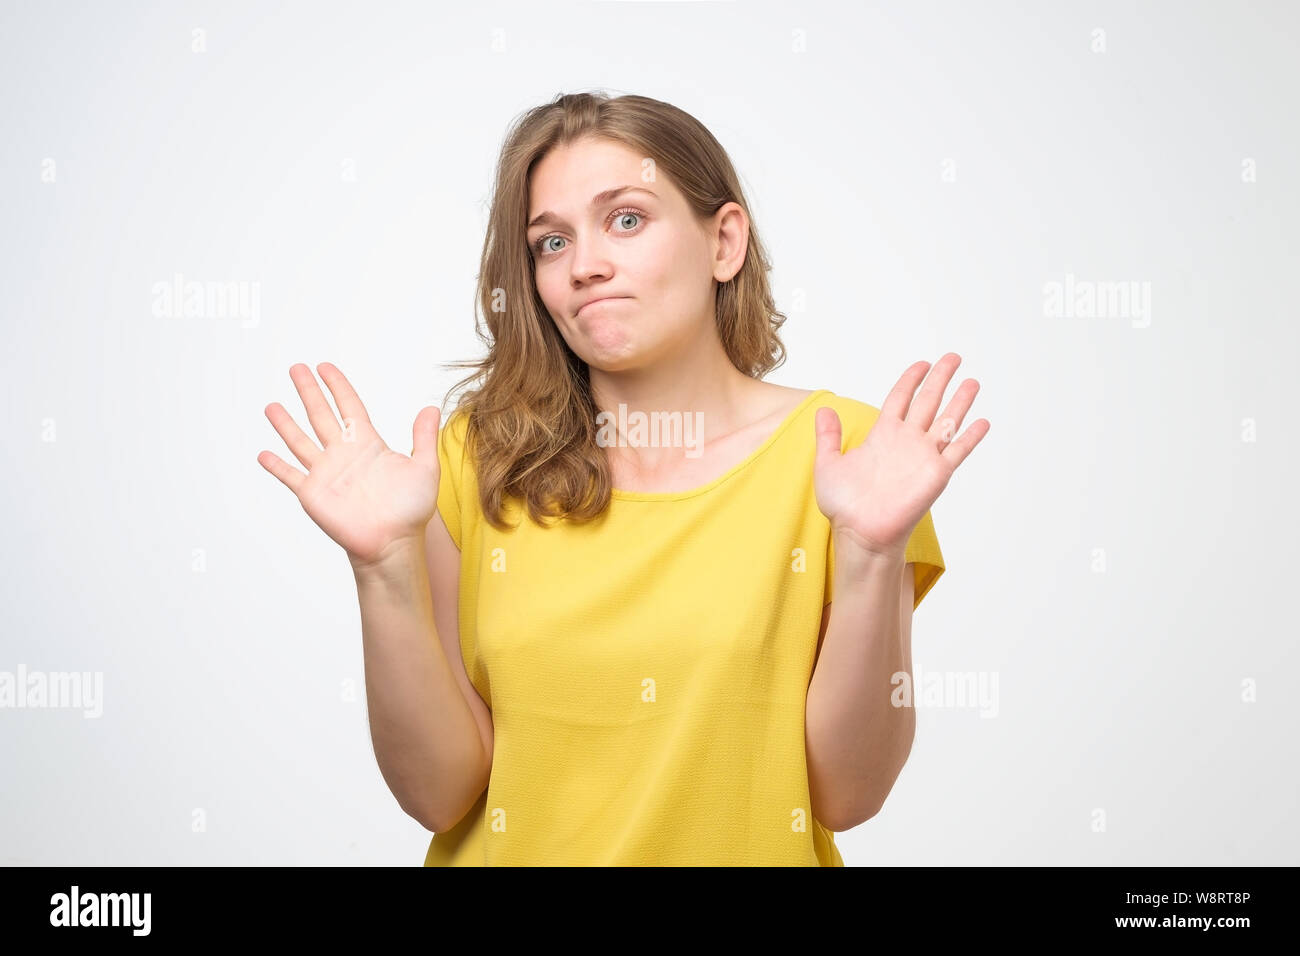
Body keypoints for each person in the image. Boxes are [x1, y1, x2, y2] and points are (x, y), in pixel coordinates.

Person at [257, 91, 989, 866]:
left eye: (627, 219)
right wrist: (382, 568)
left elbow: (850, 791)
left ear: (725, 242)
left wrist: (872, 555)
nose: (586, 266)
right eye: (550, 243)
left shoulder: (848, 457)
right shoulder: (475, 459)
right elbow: (438, 792)